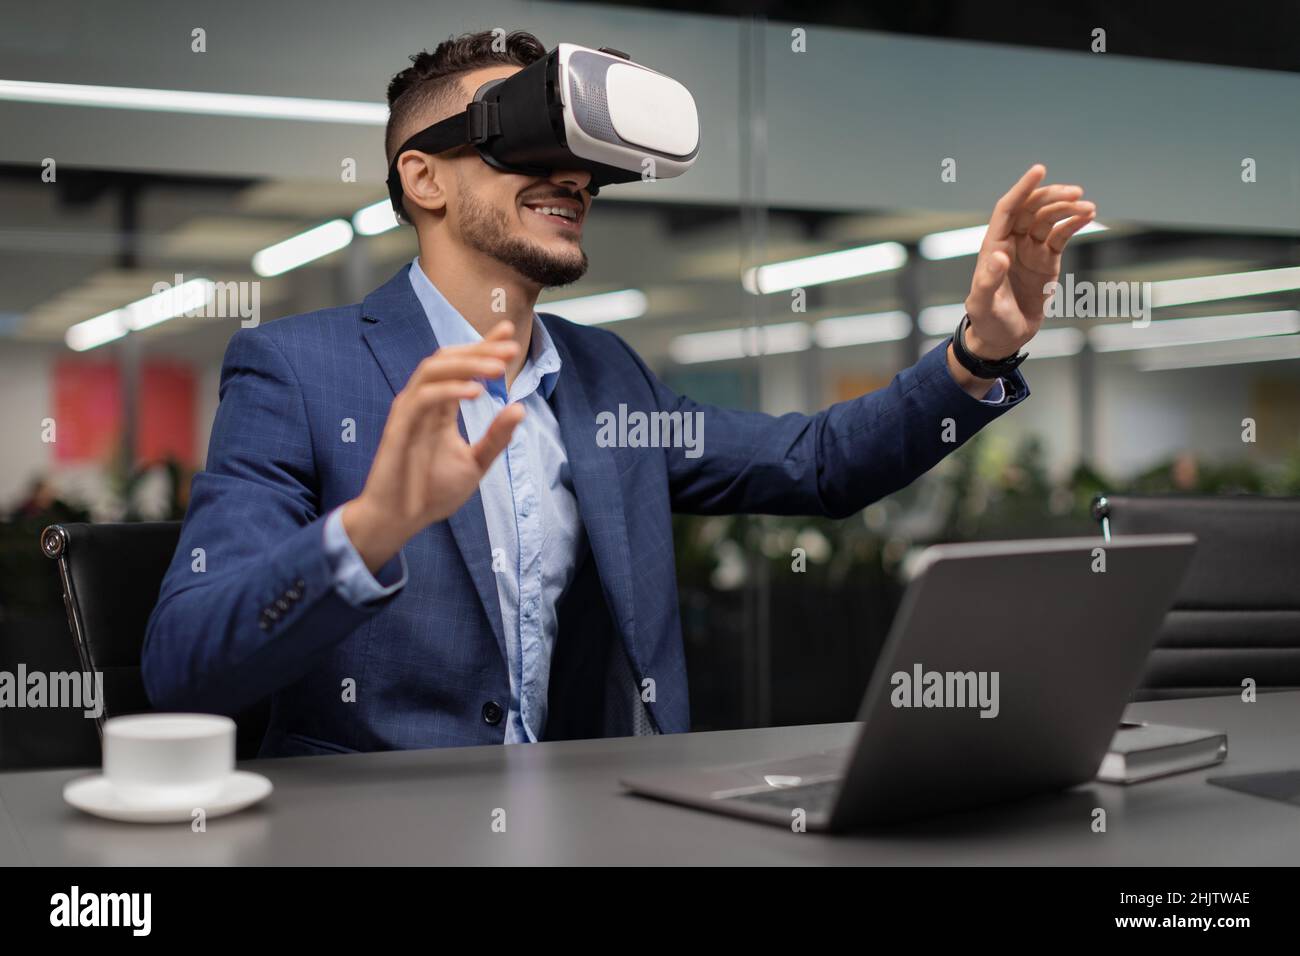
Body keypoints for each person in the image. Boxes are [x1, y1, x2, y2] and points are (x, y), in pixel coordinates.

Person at [142, 30, 1097, 757]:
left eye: (582, 156)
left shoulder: (605, 379)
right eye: (524, 140)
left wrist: (977, 353)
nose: (571, 176)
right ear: (421, 178)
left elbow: (817, 464)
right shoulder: (296, 371)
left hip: (599, 822)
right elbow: (182, 664)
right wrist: (370, 530)